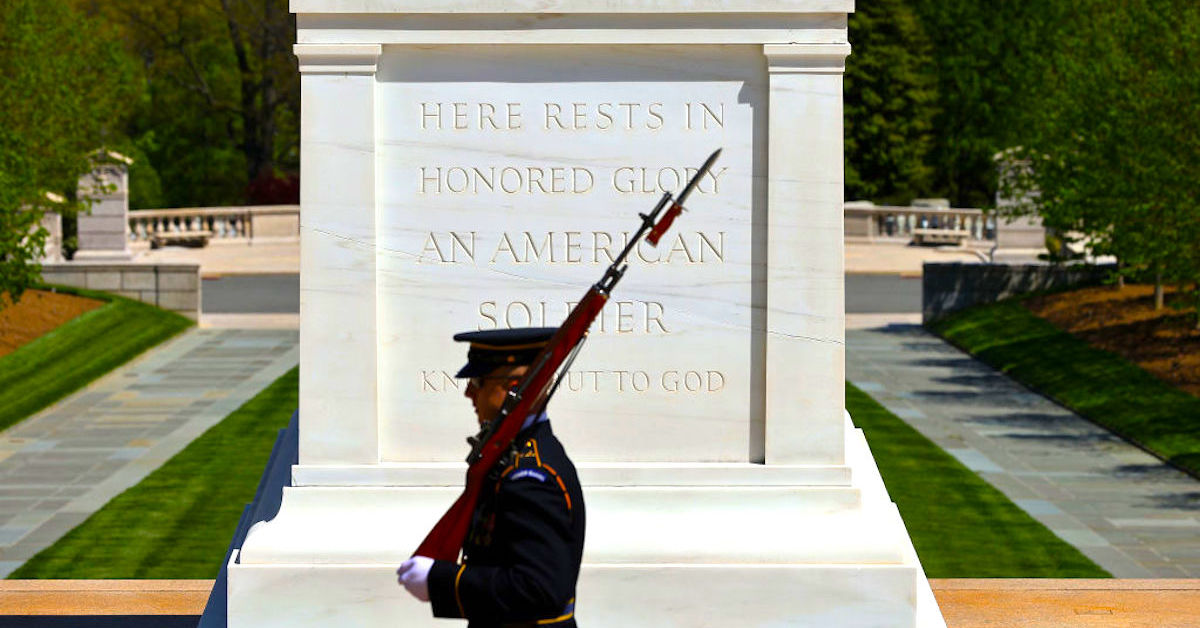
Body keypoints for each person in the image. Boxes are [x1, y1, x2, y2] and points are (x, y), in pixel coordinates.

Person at [397, 327, 586, 627]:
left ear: (514, 387)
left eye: (477, 381)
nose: (469, 393)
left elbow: (539, 588)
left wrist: (442, 581)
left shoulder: (530, 476)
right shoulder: (517, 455)